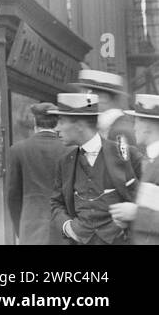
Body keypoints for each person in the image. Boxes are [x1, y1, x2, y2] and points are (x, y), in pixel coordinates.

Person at [49, 91, 142, 245]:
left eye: (62, 121)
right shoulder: (65, 162)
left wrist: (134, 213)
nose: (57, 128)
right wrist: (67, 227)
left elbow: (152, 200)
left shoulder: (127, 154)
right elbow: (56, 203)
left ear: (79, 125)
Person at [5, 101, 66, 244]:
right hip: (62, 229)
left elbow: (13, 197)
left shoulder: (17, 150)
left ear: (34, 121)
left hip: (30, 228)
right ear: (57, 123)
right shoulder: (70, 150)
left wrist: (20, 229)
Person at [109, 93, 159, 245]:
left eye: (136, 121)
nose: (134, 127)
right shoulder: (152, 160)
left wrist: (136, 214)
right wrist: (129, 220)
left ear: (147, 125)